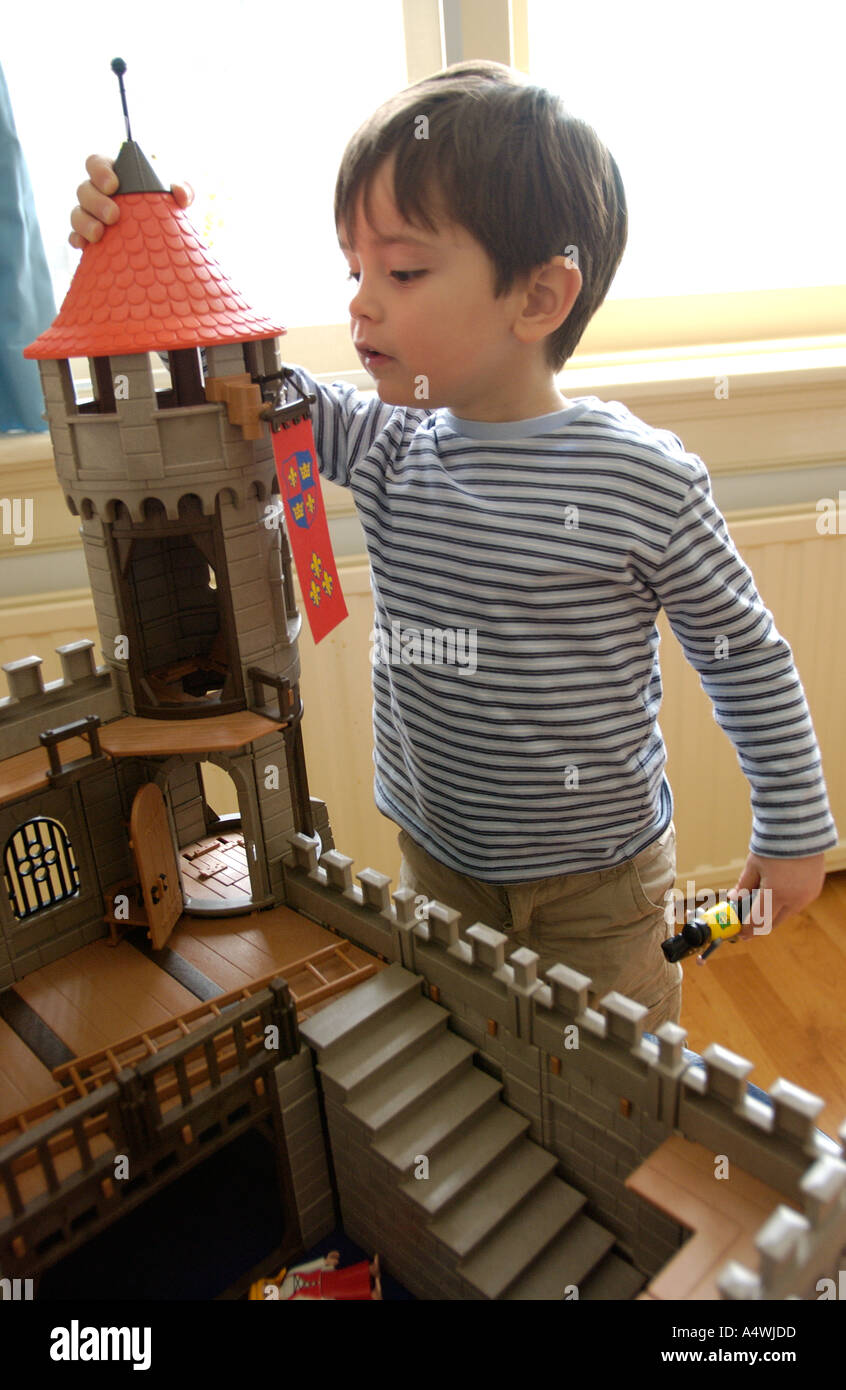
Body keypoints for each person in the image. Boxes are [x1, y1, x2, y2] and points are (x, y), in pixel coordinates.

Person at [69, 61, 835, 1030]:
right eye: (354, 271)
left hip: (599, 887)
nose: (360, 306)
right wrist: (134, 241)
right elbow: (227, 381)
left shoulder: (644, 477)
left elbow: (746, 656)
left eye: (403, 271)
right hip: (437, 856)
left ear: (539, 295)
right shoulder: (383, 440)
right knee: (469, 1065)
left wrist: (795, 831)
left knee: (613, 1079)